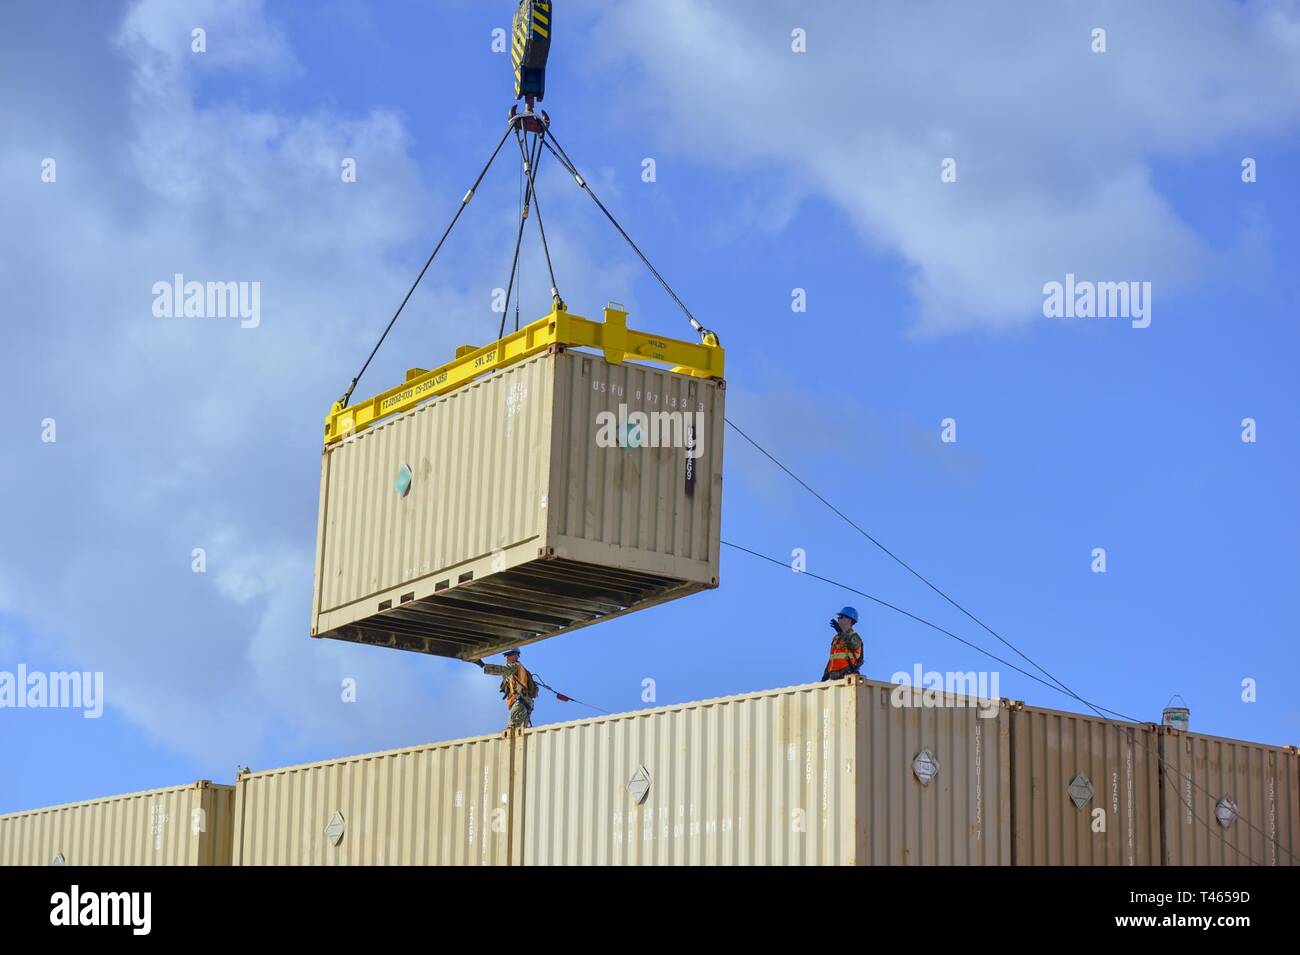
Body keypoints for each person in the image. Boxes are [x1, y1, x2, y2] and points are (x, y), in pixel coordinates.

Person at [473, 648, 537, 728]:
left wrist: (481, 664)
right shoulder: (516, 671)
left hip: (521, 701)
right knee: (521, 731)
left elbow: (502, 670)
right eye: (506, 655)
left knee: (512, 729)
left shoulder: (515, 666)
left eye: (509, 655)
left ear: (517, 656)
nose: (506, 657)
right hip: (526, 703)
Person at [821, 607, 863, 681]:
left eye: (841, 617)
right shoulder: (836, 638)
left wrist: (841, 632)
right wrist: (825, 676)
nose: (838, 619)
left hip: (847, 677)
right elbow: (832, 658)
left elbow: (853, 645)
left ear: (849, 620)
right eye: (838, 617)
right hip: (834, 678)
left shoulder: (854, 636)